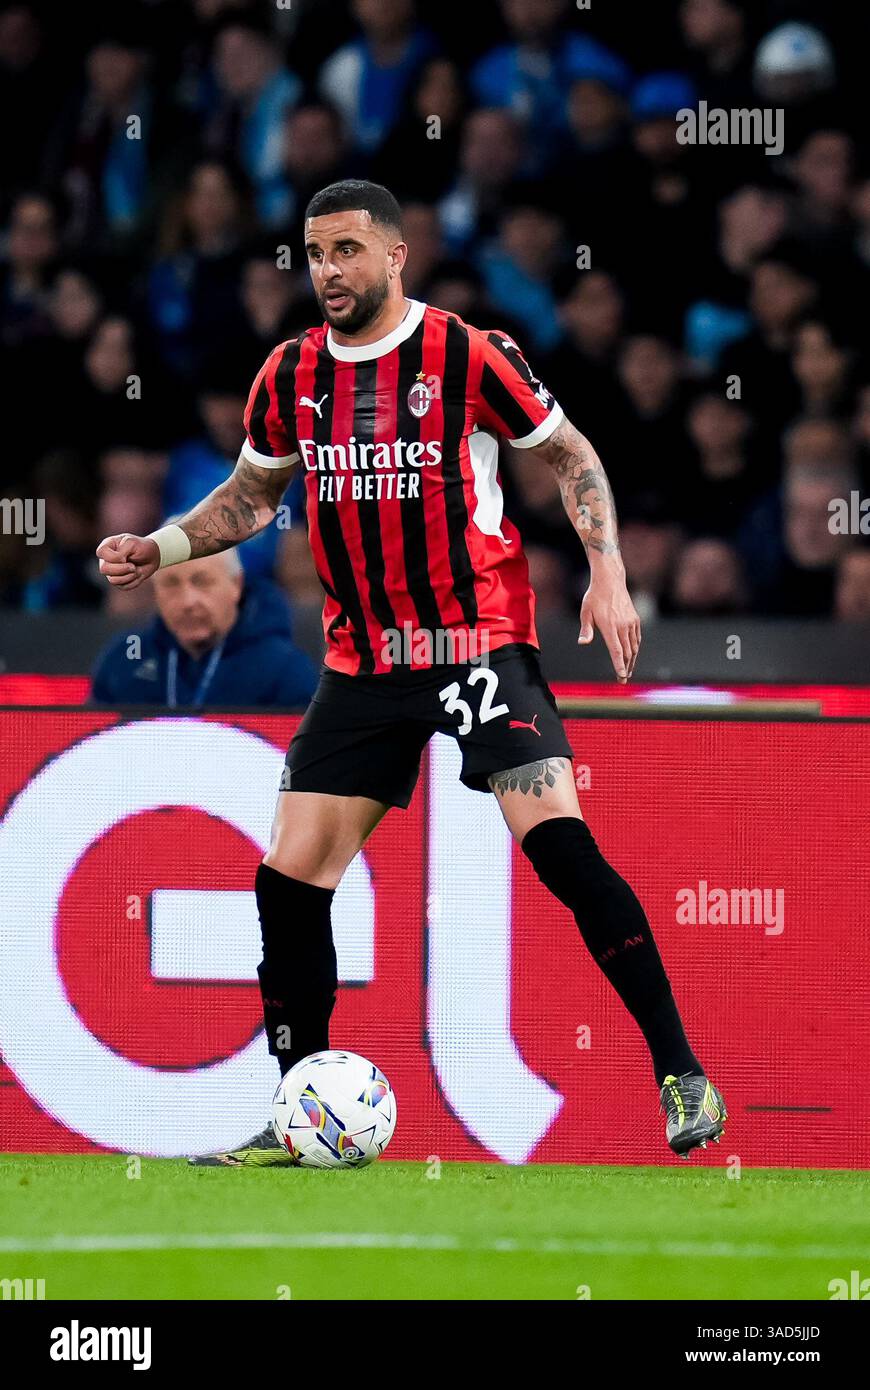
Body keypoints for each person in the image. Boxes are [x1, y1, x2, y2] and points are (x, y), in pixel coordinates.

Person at [96, 179, 726, 1165]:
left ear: (395, 257)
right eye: (315, 253)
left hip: (475, 645)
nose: (329, 272)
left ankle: (680, 1066)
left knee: (559, 845)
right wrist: (165, 546)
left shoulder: (468, 353)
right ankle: (300, 1115)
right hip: (364, 664)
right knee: (287, 881)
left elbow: (568, 454)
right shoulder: (292, 372)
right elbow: (254, 496)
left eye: (348, 250)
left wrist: (608, 570)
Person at [90, 544, 316, 709]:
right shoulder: (122, 662)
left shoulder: (285, 671)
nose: (188, 601)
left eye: (202, 582)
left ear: (236, 584)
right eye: (171, 584)